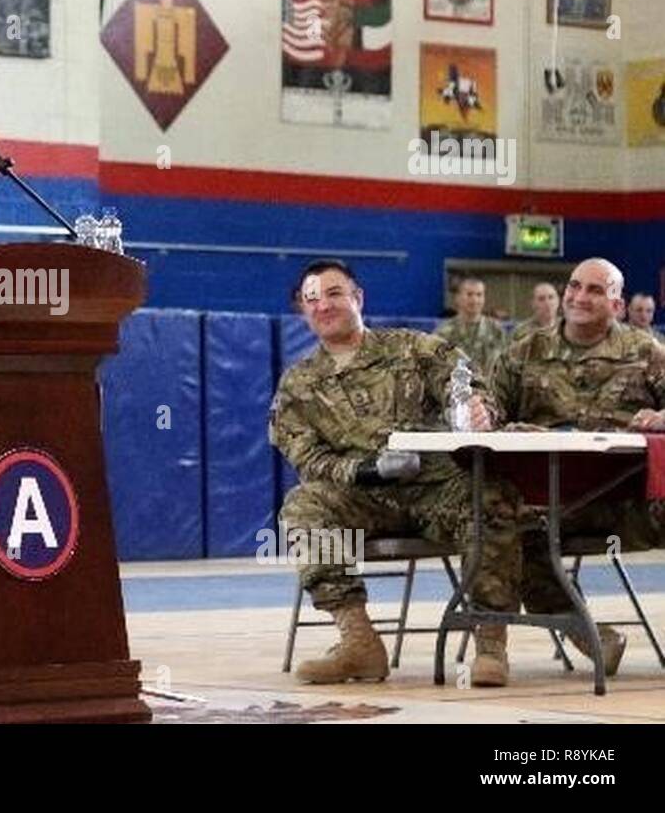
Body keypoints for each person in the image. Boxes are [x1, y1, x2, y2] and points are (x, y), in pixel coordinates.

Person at [270, 259, 520, 687]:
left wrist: (480, 408)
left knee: (492, 494)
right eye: (312, 299)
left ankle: (490, 644)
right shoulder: (299, 383)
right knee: (302, 507)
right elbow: (305, 455)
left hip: (436, 486)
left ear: (357, 299)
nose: (323, 306)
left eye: (334, 294)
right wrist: (365, 470)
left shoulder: (410, 347)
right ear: (304, 311)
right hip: (364, 497)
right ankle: (359, 644)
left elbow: (465, 382)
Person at [493, 258, 665, 675]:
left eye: (594, 290)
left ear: (617, 305)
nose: (579, 297)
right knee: (508, 532)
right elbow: (487, 418)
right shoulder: (523, 352)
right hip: (552, 504)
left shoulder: (646, 352)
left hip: (632, 501)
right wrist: (497, 423)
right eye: (574, 286)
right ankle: (592, 636)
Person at [434, 276, 508, 377]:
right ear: (458, 298)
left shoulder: (496, 331)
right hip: (455, 390)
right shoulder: (444, 332)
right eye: (469, 294)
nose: (474, 300)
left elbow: (505, 367)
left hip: (488, 389)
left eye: (479, 295)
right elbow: (436, 367)